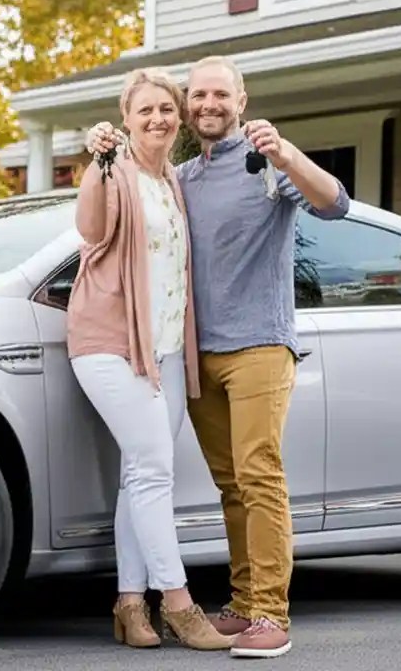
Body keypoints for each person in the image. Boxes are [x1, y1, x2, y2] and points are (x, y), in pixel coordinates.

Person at [85, 55, 349, 659]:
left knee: (260, 476)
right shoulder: (183, 180)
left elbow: (335, 204)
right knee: (231, 484)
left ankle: (272, 615)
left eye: (219, 95)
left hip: (258, 344)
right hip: (196, 355)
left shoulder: (267, 165)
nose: (207, 105)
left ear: (241, 99)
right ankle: (243, 603)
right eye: (197, 96)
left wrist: (285, 154)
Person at [66, 67, 234, 652]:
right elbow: (90, 228)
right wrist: (98, 161)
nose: (159, 118)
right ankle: (181, 605)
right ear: (126, 119)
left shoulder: (173, 182)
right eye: (146, 111)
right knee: (154, 469)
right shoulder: (117, 172)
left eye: (168, 108)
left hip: (163, 347)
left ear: (179, 116)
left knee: (140, 476)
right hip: (110, 344)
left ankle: (130, 603)